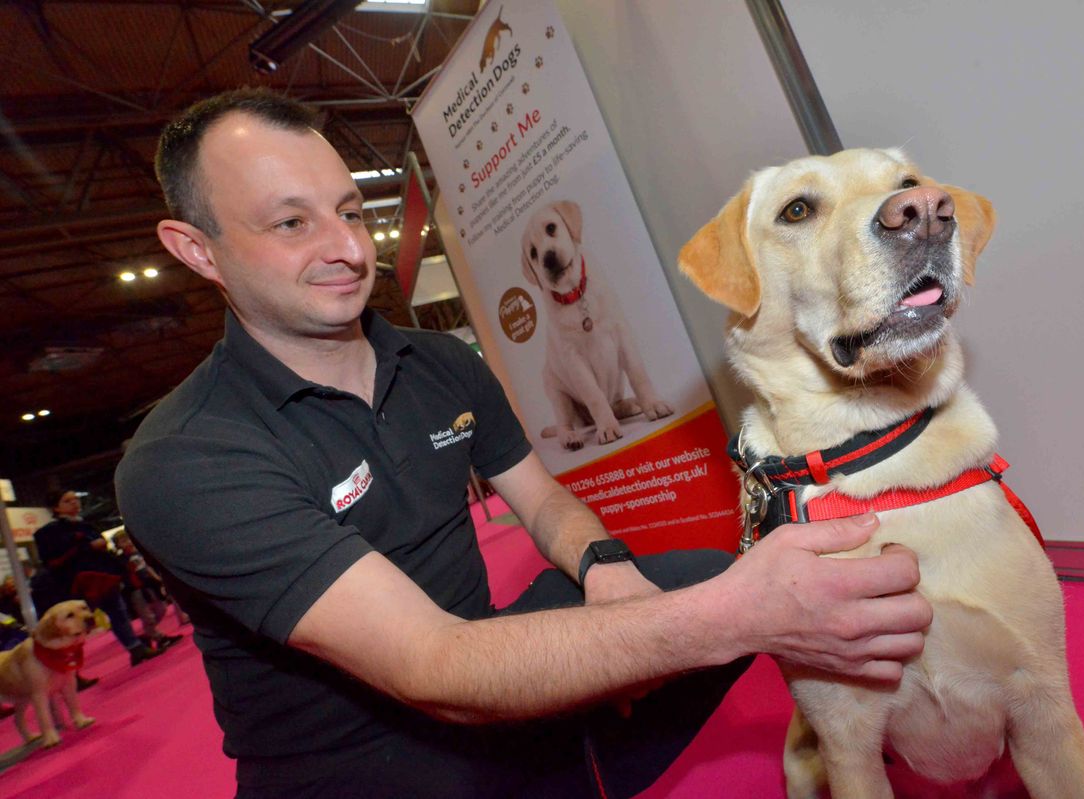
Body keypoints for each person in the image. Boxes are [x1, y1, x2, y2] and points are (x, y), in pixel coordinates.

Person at [115, 88, 932, 799]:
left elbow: (540, 498)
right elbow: (434, 665)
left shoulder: (435, 363)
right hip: (367, 761)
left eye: (352, 211)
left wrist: (607, 568)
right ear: (196, 249)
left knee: (692, 574)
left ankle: (578, 759)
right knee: (715, 601)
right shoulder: (187, 457)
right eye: (292, 222)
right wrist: (736, 617)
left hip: (494, 674)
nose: (349, 249)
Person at [32, 489, 160, 667]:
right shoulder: (48, 533)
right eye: (67, 501)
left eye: (75, 499)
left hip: (102, 579)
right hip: (75, 586)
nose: (74, 503)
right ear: (56, 507)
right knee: (74, 628)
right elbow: (51, 560)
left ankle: (135, 649)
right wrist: (85, 545)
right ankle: (70, 669)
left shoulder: (86, 525)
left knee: (119, 613)